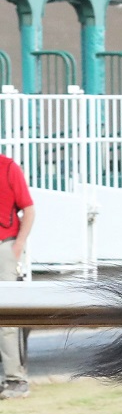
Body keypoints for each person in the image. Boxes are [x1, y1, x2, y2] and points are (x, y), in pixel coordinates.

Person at [0, 153, 33, 399]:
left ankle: (15, 379)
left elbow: (28, 209)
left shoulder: (9, 167)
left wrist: (18, 245)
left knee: (7, 316)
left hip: (5, 246)